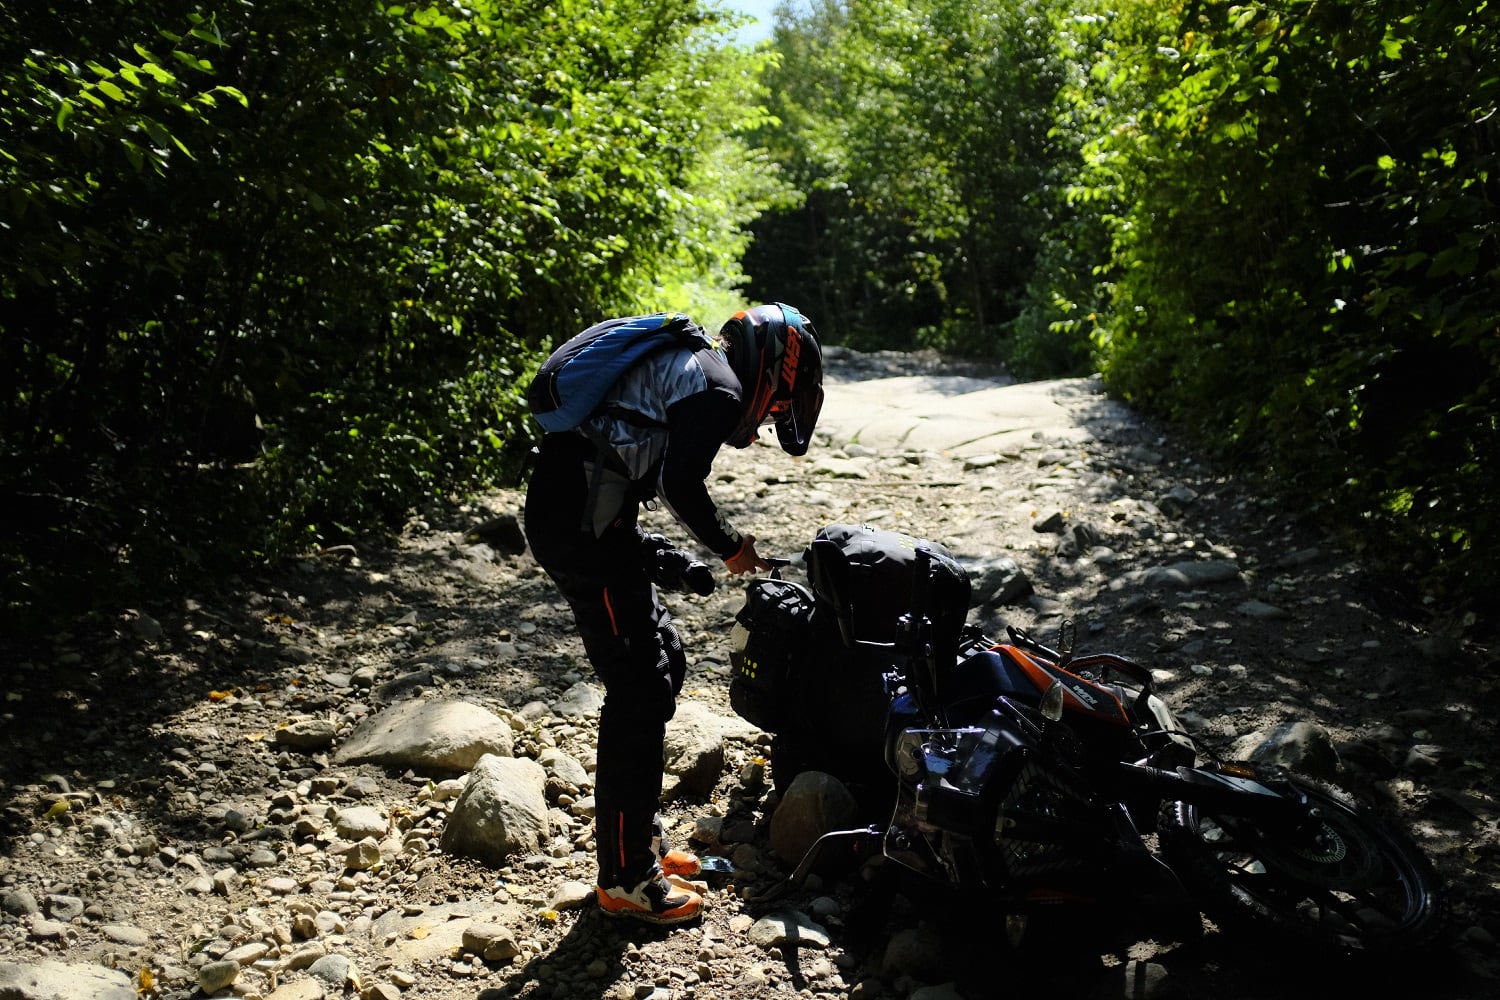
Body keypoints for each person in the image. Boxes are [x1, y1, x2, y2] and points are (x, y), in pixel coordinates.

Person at [523, 303, 825, 925]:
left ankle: (641, 843)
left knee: (667, 659)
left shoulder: (698, 372)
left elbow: (633, 465)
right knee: (637, 688)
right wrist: (732, 548)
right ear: (773, 367)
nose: (769, 418)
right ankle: (626, 879)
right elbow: (681, 485)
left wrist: (667, 559)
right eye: (778, 406)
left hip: (591, 515)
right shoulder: (716, 386)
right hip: (580, 524)